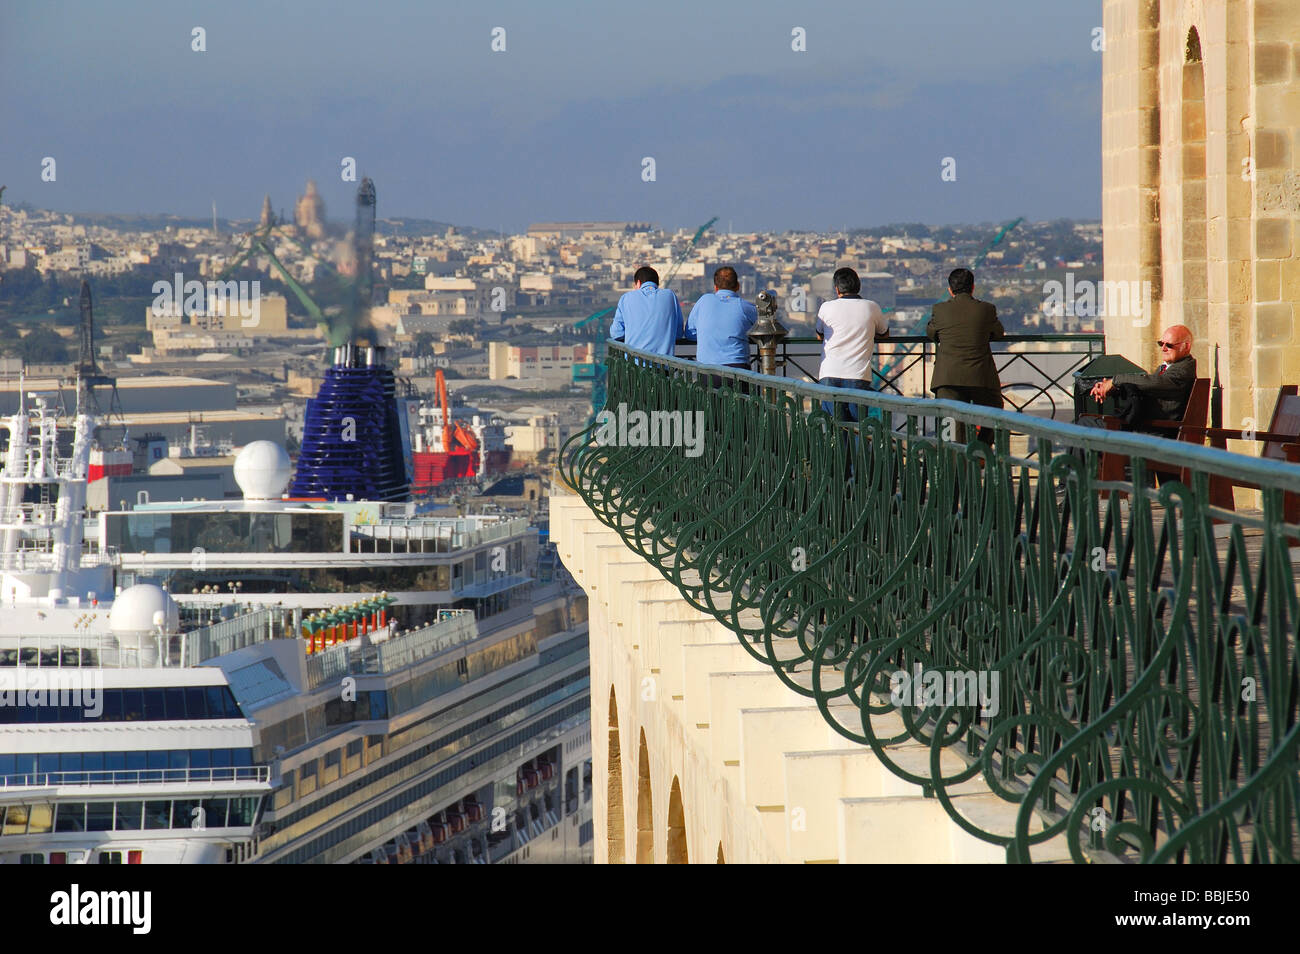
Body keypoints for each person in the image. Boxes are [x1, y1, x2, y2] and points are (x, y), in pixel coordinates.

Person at [926, 267, 1005, 445]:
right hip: (980, 378)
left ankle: (955, 467)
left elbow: (932, 333)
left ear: (950, 290)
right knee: (995, 412)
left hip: (948, 378)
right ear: (973, 287)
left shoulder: (940, 310)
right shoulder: (986, 309)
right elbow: (998, 333)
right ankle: (981, 450)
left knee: (951, 429)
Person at [1087, 325, 1196, 431]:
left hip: (1152, 430)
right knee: (1084, 423)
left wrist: (1115, 381)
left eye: (1169, 345)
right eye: (1161, 343)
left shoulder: (1182, 371)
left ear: (1186, 346)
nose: (1163, 348)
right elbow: (1147, 387)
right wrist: (1113, 388)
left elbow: (1151, 383)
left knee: (1083, 425)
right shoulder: (1169, 368)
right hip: (1142, 425)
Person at [816, 266, 890, 422]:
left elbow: (819, 334)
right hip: (858, 374)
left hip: (830, 372)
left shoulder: (826, 307)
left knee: (834, 426)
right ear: (858, 286)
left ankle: (837, 447)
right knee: (858, 427)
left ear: (837, 289)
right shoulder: (872, 307)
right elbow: (885, 334)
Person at [684, 266, 757, 389]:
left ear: (715, 287)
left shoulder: (704, 301)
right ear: (738, 286)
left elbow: (690, 333)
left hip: (707, 370)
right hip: (738, 370)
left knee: (711, 407)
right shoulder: (744, 307)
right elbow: (764, 326)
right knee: (741, 407)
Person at [610, 266, 684, 359]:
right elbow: (678, 333)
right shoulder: (670, 295)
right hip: (663, 366)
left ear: (638, 283)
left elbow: (616, 333)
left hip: (635, 365)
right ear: (657, 283)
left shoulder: (626, 298)